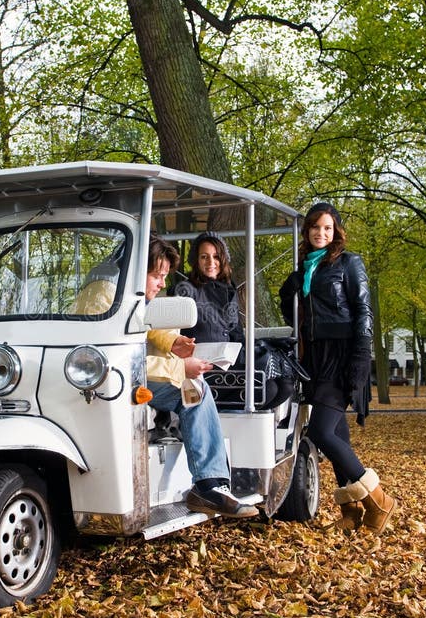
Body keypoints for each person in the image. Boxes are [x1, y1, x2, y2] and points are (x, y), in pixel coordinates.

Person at [279, 202, 396, 534]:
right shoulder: (305, 268)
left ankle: (379, 500)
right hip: (314, 357)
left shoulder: (349, 263)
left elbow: (363, 311)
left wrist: (360, 358)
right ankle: (351, 510)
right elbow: (297, 316)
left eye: (327, 228)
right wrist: (289, 295)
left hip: (342, 354)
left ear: (336, 231)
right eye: (316, 227)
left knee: (320, 432)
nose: (321, 233)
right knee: (338, 432)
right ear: (307, 231)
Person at [146, 236, 258, 519]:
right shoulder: (181, 291)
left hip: (204, 361)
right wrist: (182, 365)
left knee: (198, 388)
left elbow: (150, 326)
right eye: (157, 276)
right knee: (195, 389)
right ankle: (210, 485)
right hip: (134, 376)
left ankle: (213, 485)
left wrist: (174, 342)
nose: (161, 284)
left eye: (216, 257)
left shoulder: (229, 290)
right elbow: (127, 357)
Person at [174, 232, 293, 409]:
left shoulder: (228, 289)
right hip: (204, 367)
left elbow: (237, 336)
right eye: (204, 257)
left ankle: (239, 420)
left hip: (229, 363)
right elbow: (174, 336)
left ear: (223, 259)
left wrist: (265, 342)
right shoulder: (185, 290)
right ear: (196, 261)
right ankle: (221, 415)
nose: (210, 262)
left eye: (216, 256)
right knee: (268, 389)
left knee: (285, 386)